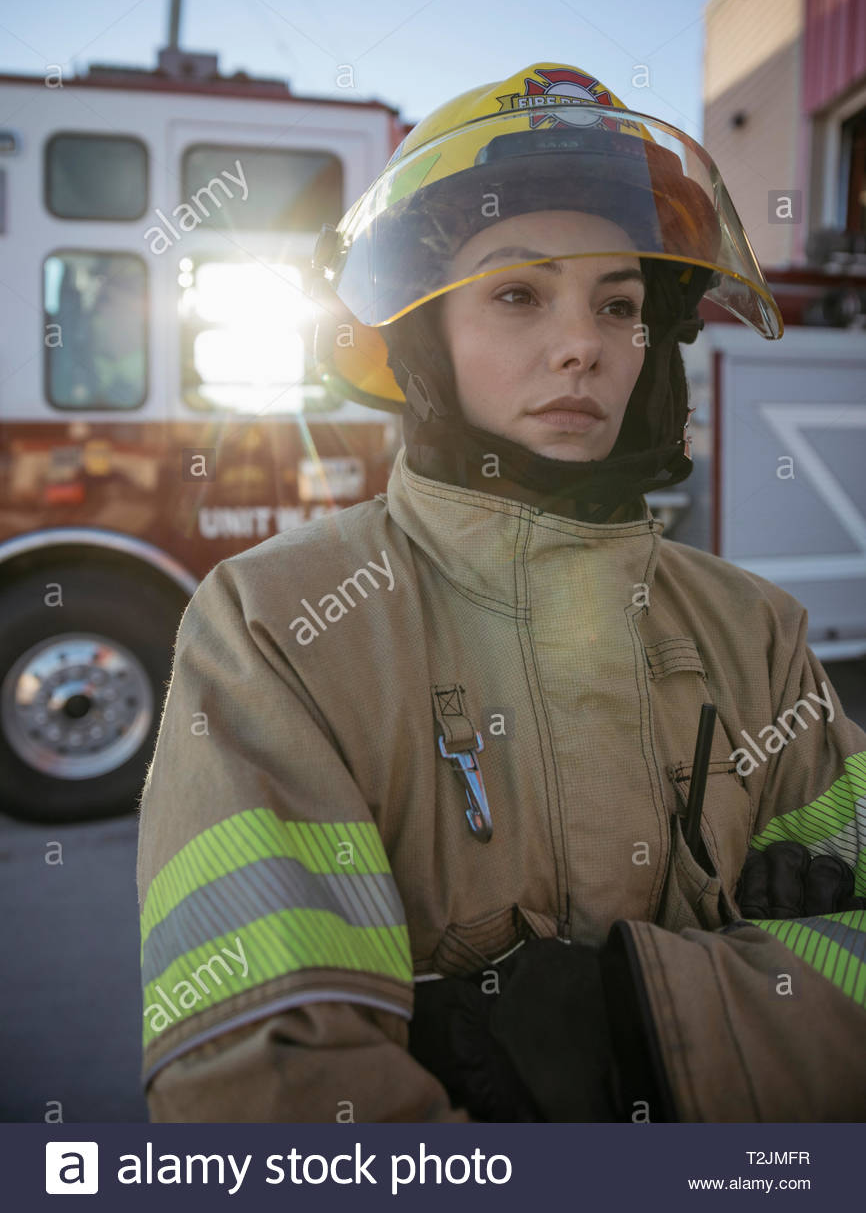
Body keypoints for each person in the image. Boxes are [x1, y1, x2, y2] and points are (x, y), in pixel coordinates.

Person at [136, 62, 866, 1122]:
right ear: (423, 337)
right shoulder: (274, 625)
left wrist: (649, 1016)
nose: (582, 344)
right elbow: (262, 1091)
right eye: (517, 293)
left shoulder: (754, 631)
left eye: (617, 304)